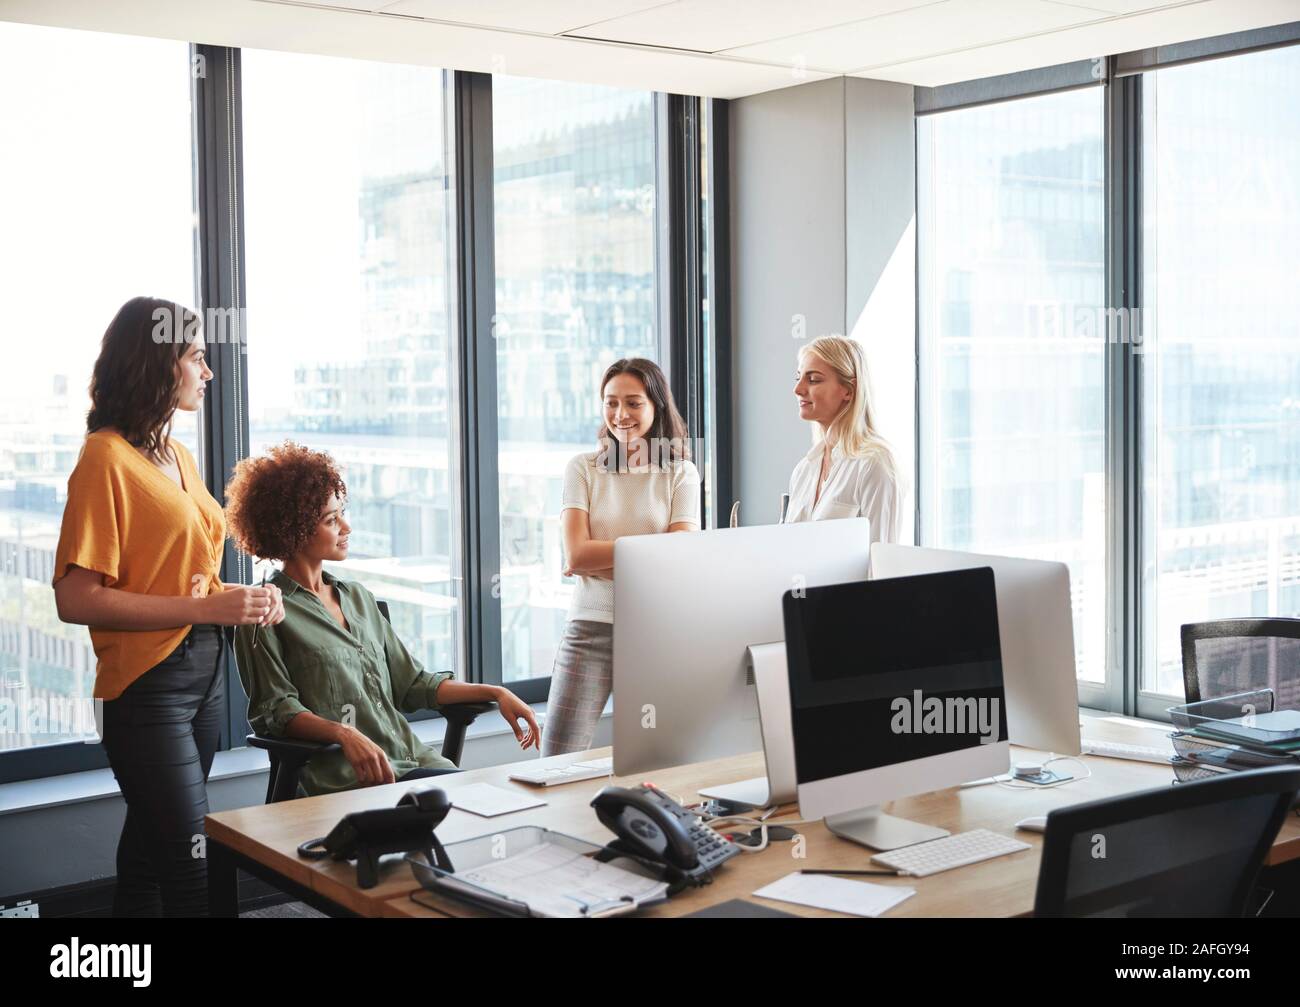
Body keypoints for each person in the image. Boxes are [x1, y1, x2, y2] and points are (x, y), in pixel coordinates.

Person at [52, 296, 283, 917]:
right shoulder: (105, 458)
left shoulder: (176, 455)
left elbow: (189, 575)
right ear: (158, 363)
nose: (207, 373)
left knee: (153, 855)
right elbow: (76, 598)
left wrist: (245, 601)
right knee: (196, 867)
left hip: (205, 674)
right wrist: (204, 609)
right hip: (146, 688)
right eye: (197, 358)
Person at [225, 441, 540, 795]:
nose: (347, 526)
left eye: (342, 512)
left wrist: (497, 692)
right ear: (293, 530)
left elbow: (413, 684)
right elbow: (276, 712)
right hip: (347, 779)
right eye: (331, 519)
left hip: (415, 763)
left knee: (498, 800)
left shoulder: (358, 598)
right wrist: (343, 733)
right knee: (480, 803)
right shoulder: (264, 610)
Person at [544, 357, 700, 756]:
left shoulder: (680, 473)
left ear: (656, 407)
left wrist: (603, 558)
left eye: (633, 403)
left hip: (656, 630)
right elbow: (576, 554)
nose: (620, 414)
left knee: (658, 761)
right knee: (557, 759)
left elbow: (681, 556)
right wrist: (649, 552)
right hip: (590, 626)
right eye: (611, 403)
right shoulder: (584, 468)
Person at [786, 335, 901, 542]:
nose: (798, 389)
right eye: (798, 378)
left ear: (848, 390)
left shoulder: (874, 464)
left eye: (813, 379)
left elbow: (879, 559)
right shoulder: (803, 471)